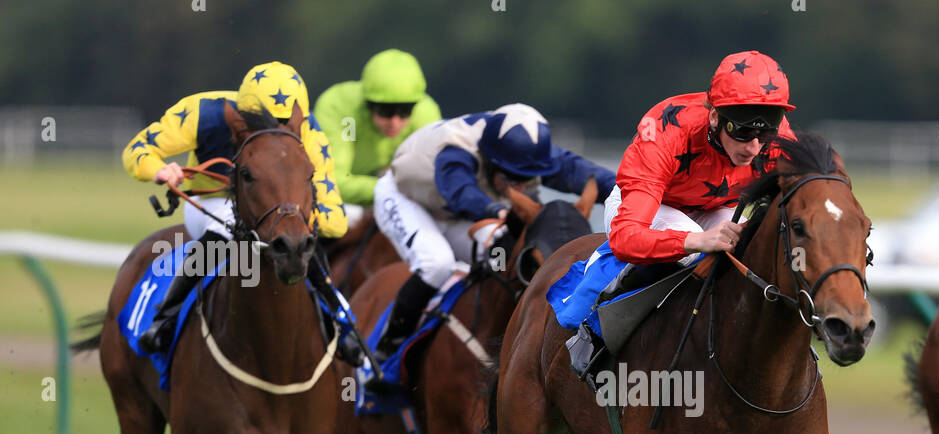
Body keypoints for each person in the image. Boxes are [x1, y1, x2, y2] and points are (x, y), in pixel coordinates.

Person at [566, 49, 796, 374]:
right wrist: (697, 241)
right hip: (651, 204)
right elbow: (626, 239)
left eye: (765, 132)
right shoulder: (664, 131)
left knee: (753, 253)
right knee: (697, 255)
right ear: (715, 116)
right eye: (742, 131)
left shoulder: (776, 138)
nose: (754, 146)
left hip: (716, 206)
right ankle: (597, 333)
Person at [367, 103, 616, 366]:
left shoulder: (526, 151)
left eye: (527, 177)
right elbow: (460, 192)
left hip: (454, 210)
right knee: (435, 263)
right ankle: (386, 350)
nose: (520, 184)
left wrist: (633, 188)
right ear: (489, 159)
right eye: (510, 176)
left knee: (504, 252)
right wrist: (496, 210)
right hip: (407, 198)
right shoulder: (456, 152)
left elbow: (588, 175)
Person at [123, 61, 346, 353]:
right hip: (214, 201)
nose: (275, 134)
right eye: (264, 124)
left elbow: (334, 215)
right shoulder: (202, 112)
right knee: (228, 225)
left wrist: (302, 221)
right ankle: (166, 317)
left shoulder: (309, 133)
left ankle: (345, 324)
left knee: (302, 238)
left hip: (278, 212)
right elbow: (138, 149)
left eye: (283, 125)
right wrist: (160, 170)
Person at [313, 49, 442, 224]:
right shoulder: (343, 111)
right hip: (345, 205)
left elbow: (434, 180)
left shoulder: (425, 112)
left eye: (405, 111)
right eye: (385, 111)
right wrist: (397, 187)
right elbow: (334, 182)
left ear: (415, 105)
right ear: (367, 104)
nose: (394, 123)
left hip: (396, 199)